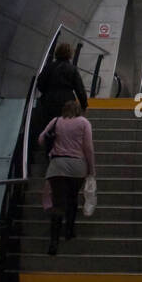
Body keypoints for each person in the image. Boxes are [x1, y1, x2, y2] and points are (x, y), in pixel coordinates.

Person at [38, 97, 95, 254]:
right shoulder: (84, 123)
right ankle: (69, 231)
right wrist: (92, 170)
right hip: (77, 167)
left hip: (57, 167)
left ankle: (54, 242)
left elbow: (41, 139)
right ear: (78, 110)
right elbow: (88, 148)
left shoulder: (56, 121)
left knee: (58, 202)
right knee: (72, 198)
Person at [34, 43, 87, 147]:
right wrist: (84, 104)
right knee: (66, 125)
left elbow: (40, 83)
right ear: (70, 54)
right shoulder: (72, 69)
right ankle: (64, 147)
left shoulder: (48, 67)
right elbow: (79, 88)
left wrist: (47, 92)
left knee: (50, 125)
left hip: (49, 100)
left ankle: (49, 150)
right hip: (67, 101)